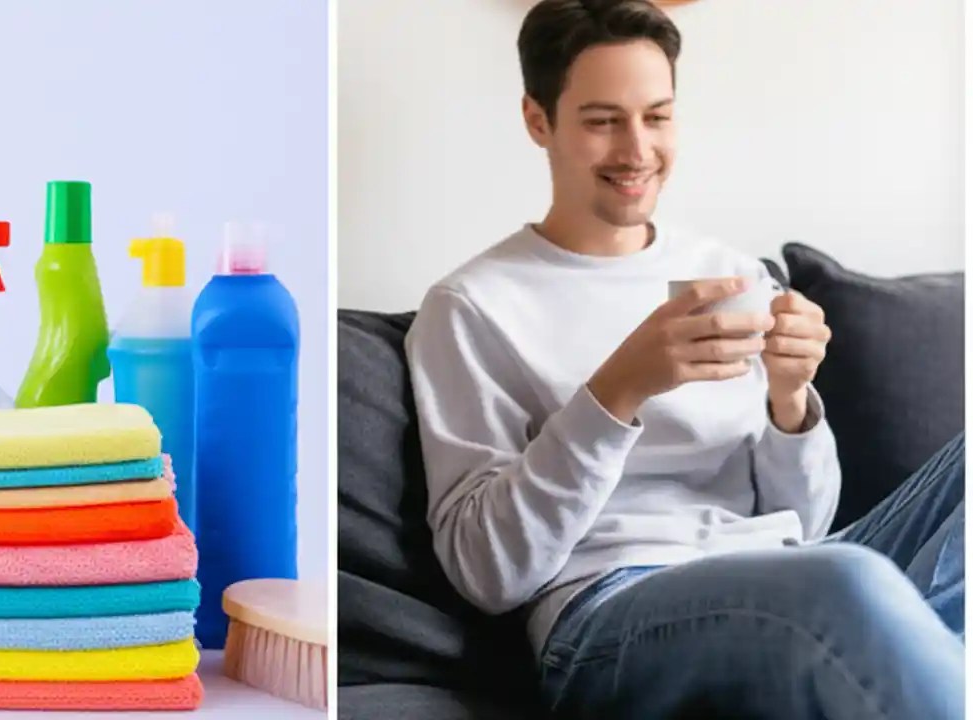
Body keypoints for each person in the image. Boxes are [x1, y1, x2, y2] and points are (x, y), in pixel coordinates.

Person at [403, 1, 965, 718]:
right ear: (538, 120)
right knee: (849, 584)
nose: (637, 150)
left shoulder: (728, 273)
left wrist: (789, 403)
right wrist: (617, 390)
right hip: (610, 611)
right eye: (603, 120)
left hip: (784, 575)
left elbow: (806, 525)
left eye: (658, 116)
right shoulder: (472, 306)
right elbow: (487, 572)